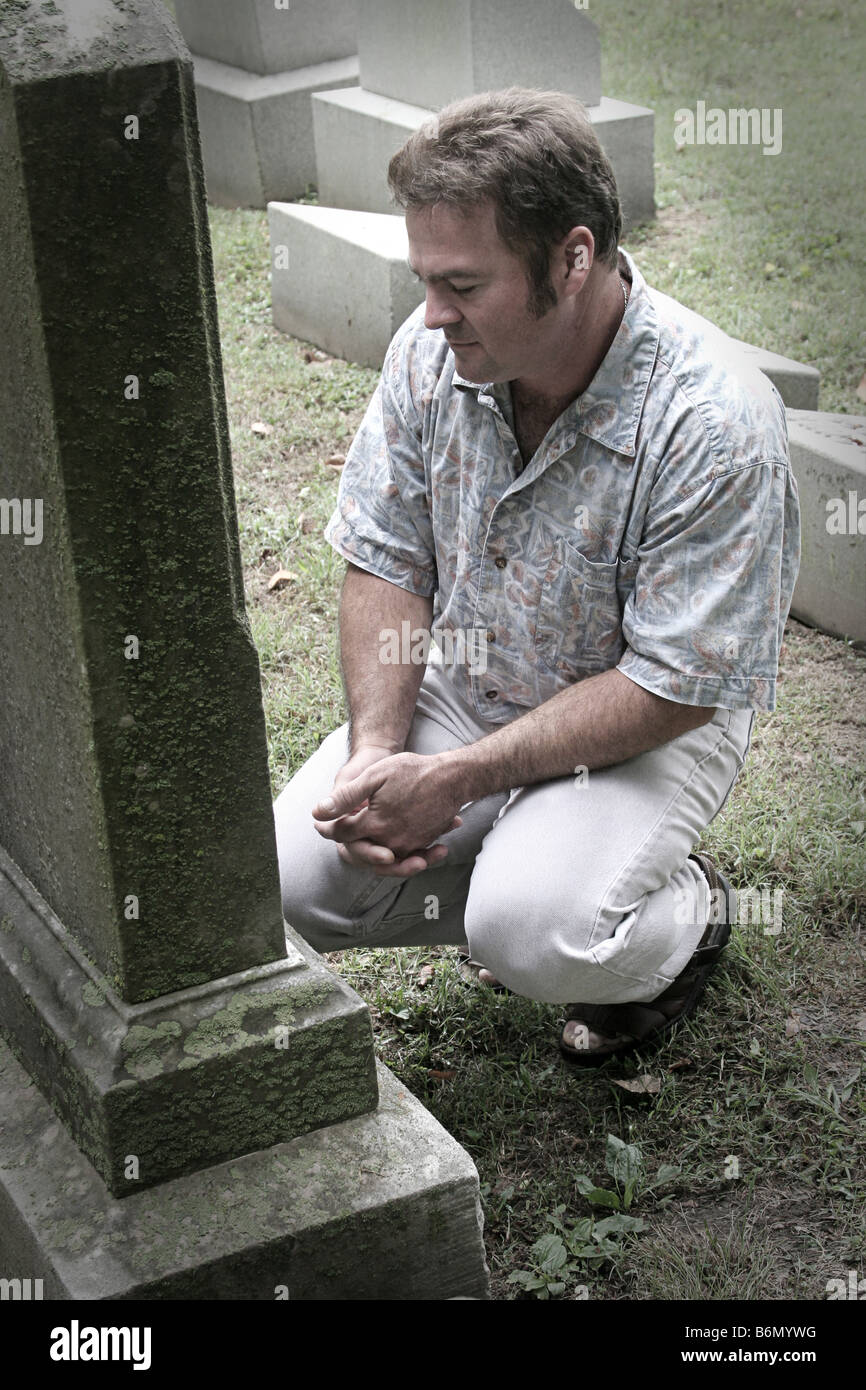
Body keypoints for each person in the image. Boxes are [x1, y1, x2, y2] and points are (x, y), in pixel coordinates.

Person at [274, 88, 800, 1064]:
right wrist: (379, 758)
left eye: (463, 285)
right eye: (425, 279)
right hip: (471, 679)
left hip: (645, 719)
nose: (430, 315)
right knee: (293, 879)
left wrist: (460, 779)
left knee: (528, 932)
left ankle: (682, 920)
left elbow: (670, 683)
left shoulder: (712, 421)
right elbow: (384, 555)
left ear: (572, 255)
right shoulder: (433, 355)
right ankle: (518, 872)